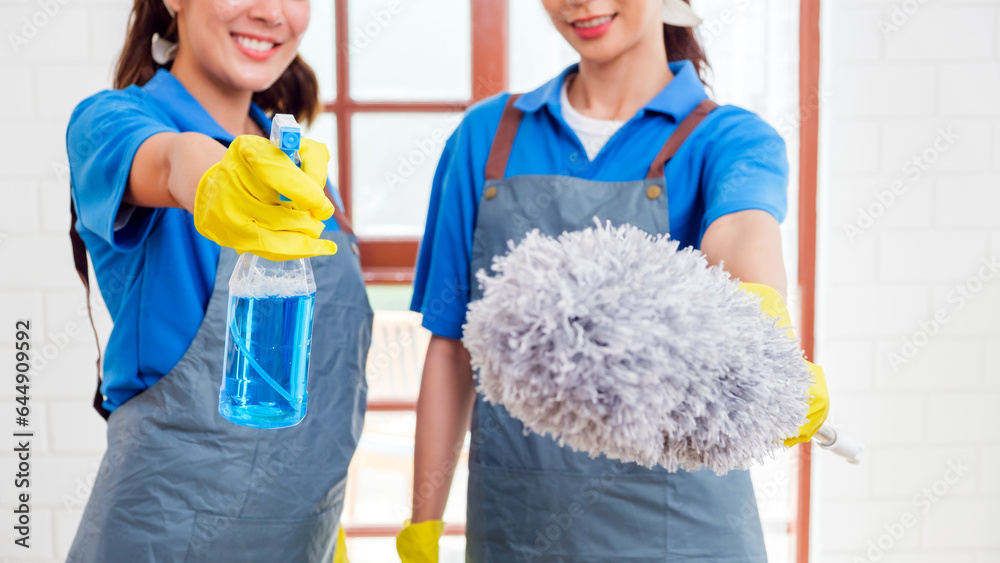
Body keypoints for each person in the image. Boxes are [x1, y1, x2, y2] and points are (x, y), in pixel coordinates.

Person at [398, 0, 829, 560]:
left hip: (684, 533)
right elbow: (452, 344)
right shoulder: (487, 135)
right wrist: (422, 526)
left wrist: (766, 326)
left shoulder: (728, 139)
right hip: (520, 530)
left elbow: (742, 232)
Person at [65, 0, 371, 561]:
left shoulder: (299, 168)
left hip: (304, 538)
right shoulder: (110, 123)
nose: (271, 12)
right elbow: (170, 162)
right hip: (165, 541)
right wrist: (215, 181)